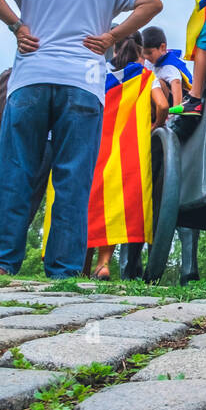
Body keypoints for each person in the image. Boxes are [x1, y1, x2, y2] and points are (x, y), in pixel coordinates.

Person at [0, 0, 162, 277]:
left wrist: (17, 26)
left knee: (16, 171)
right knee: (73, 177)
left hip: (31, 79)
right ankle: (63, 269)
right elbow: (152, 3)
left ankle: (0, 262)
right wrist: (112, 35)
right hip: (84, 84)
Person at [88, 32, 149, 279]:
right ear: (141, 52)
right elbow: (163, 104)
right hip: (124, 151)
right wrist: (155, 122)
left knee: (89, 202)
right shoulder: (144, 76)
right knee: (112, 206)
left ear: (114, 51)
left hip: (94, 145)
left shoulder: (99, 75)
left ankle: (79, 265)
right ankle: (103, 264)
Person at [140, 26, 192, 130]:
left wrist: (175, 113)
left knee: (157, 83)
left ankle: (167, 116)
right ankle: (150, 117)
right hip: (161, 100)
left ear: (163, 48)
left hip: (181, 99)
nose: (146, 57)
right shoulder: (149, 61)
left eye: (149, 53)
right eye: (143, 53)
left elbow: (176, 84)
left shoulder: (170, 65)